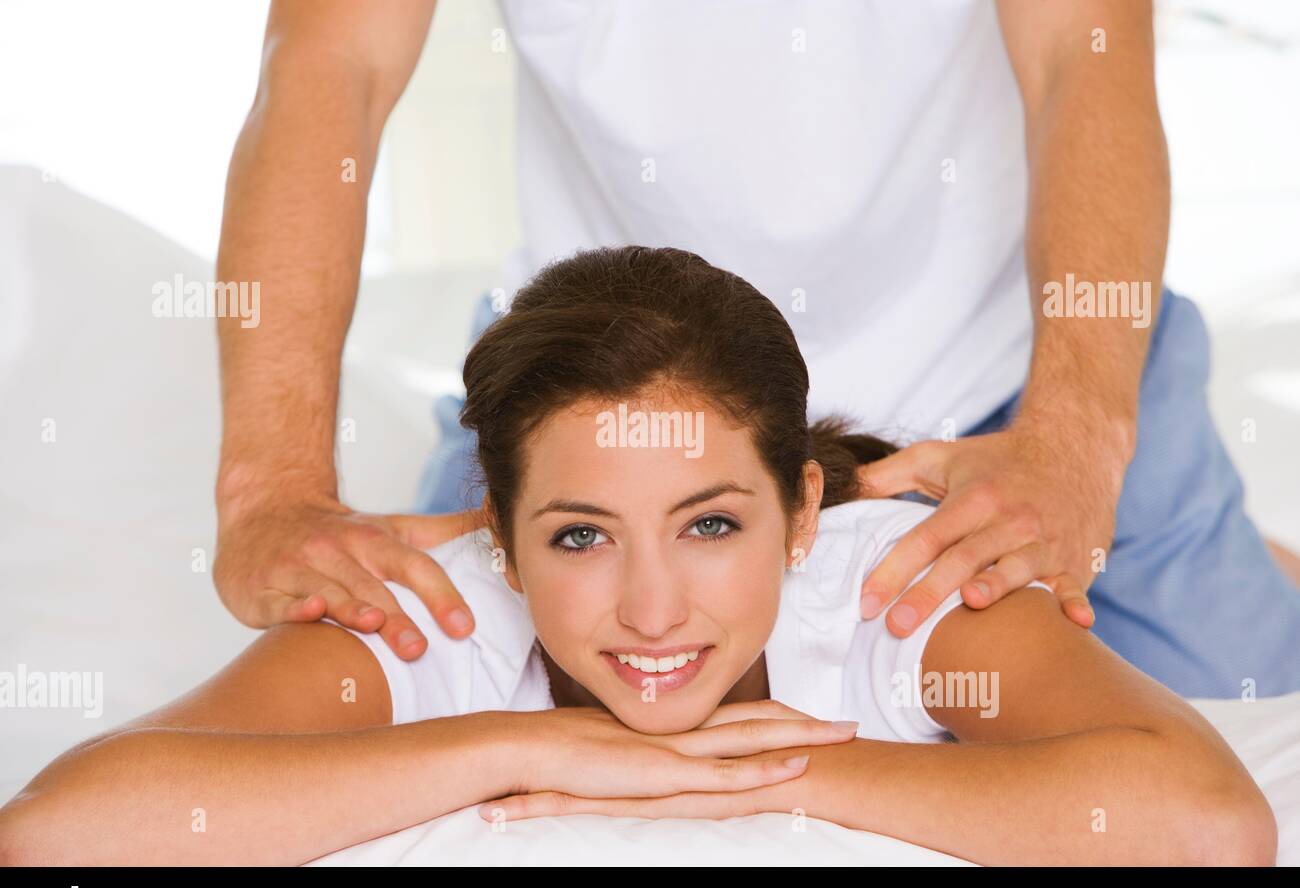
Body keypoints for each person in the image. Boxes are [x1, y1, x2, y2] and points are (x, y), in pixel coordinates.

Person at [0, 247, 1275, 866]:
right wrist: (533, 745)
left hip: (1080, 435)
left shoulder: (895, 581)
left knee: (1242, 645)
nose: (652, 607)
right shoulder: (435, 619)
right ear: (497, 537)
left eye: (714, 524)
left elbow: (1208, 827)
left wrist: (754, 775)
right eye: (578, 536)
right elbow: (53, 837)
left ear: (805, 512)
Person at [211, 0, 1300, 698]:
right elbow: (327, 67)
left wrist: (1076, 436)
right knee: (388, 701)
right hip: (596, 418)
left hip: (1015, 378)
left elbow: (1086, 48)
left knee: (1244, 690)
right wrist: (270, 485)